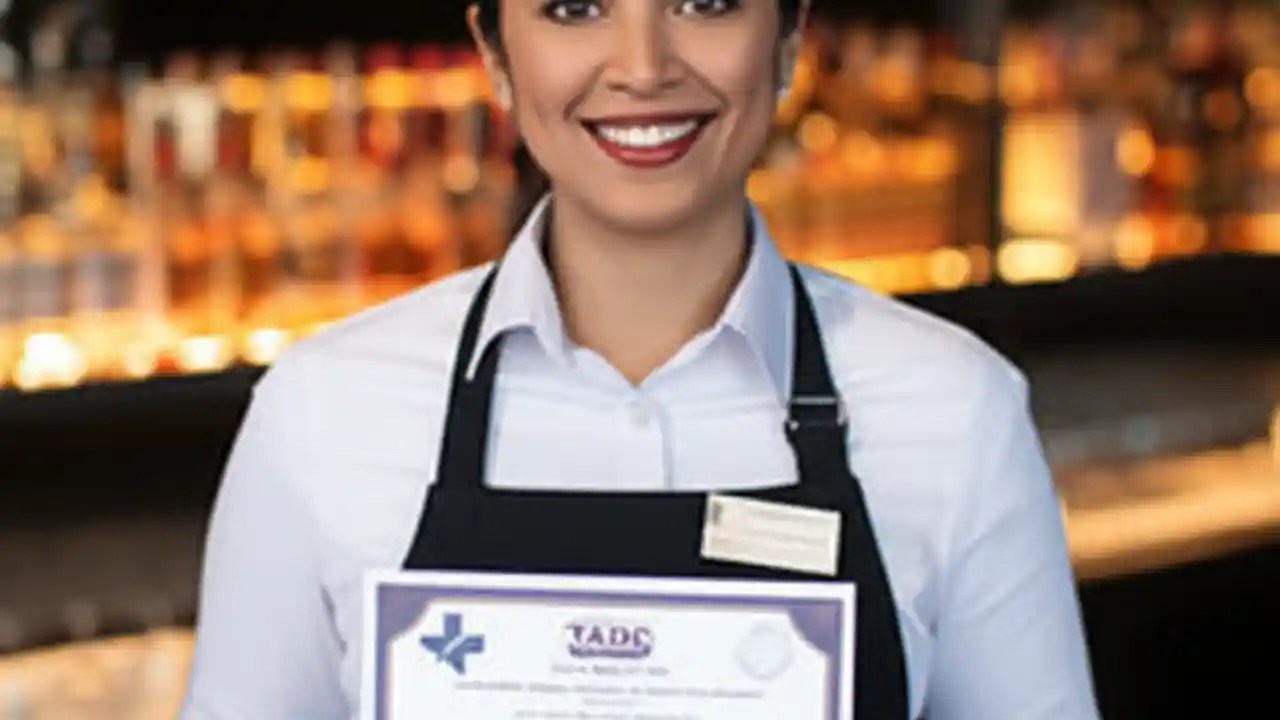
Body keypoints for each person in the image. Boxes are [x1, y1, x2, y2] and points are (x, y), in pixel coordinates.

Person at [180, 0, 1101, 718]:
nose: (644, 67)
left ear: (788, 41)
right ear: (495, 54)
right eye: (575, 9)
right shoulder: (324, 412)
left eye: (705, 4)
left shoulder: (954, 409)